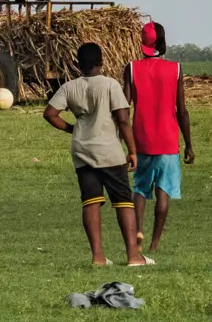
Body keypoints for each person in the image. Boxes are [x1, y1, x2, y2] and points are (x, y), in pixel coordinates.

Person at [43, 43, 154, 266]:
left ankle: (98, 257)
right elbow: (123, 120)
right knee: (123, 202)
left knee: (91, 201)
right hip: (109, 151)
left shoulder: (69, 87)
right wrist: (132, 151)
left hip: (82, 151)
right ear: (101, 62)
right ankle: (133, 256)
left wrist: (72, 129)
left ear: (78, 64)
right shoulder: (111, 85)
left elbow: (50, 113)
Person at [123, 21, 194, 253]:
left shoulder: (131, 68)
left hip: (141, 140)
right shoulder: (175, 69)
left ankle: (138, 230)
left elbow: (123, 109)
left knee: (140, 188)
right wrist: (188, 144)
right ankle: (154, 245)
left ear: (142, 43)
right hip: (168, 140)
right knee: (164, 192)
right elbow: (181, 111)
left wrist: (122, 140)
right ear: (162, 42)